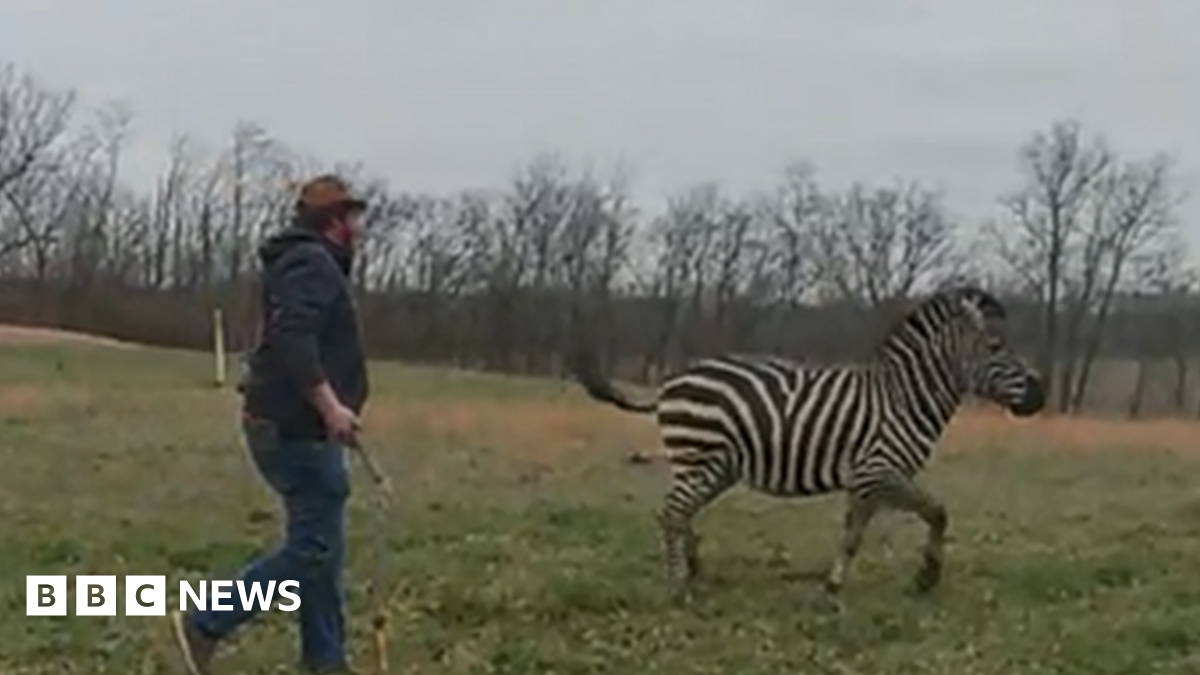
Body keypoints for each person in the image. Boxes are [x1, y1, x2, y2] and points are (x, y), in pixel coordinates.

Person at [169, 175, 371, 675]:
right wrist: (330, 406)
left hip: (296, 426)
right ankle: (208, 620)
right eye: (353, 217)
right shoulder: (312, 263)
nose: (359, 228)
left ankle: (325, 660)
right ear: (335, 220)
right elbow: (293, 338)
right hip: (296, 428)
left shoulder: (303, 261)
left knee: (323, 548)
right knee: (313, 547)